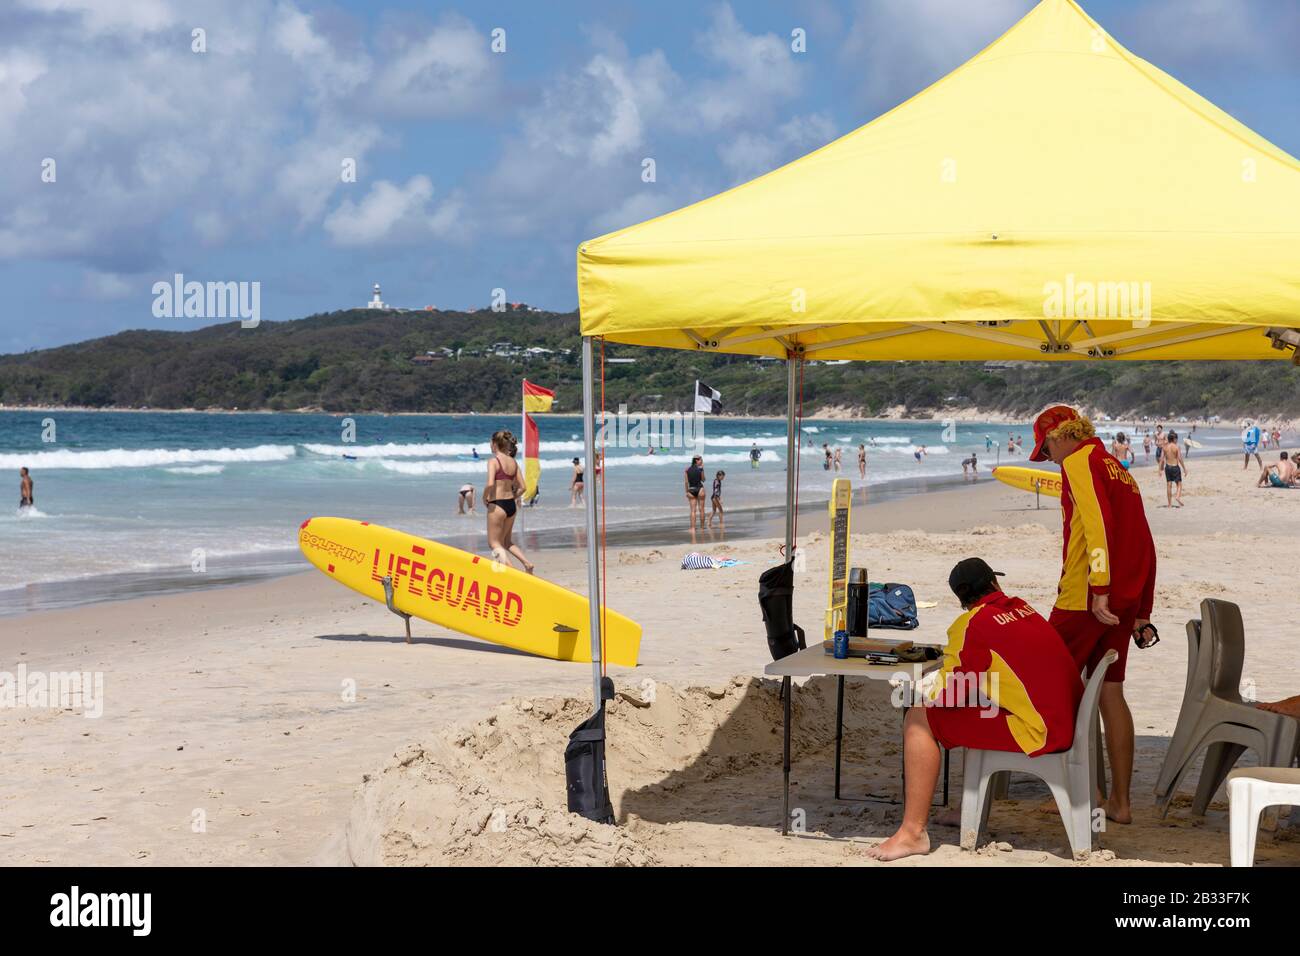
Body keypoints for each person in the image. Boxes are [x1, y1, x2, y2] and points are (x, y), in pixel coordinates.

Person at [866, 558, 1082, 862]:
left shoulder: (973, 624)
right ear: (994, 583)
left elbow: (948, 695)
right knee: (977, 703)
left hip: (1042, 731)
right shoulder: (1023, 608)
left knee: (919, 717)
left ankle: (912, 833)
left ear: (962, 598)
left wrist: (918, 688)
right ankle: (970, 808)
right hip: (1067, 718)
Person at [1029, 405, 1156, 825]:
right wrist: (1141, 608)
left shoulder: (1080, 460)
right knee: (1109, 693)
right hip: (1122, 602)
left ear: (1058, 435)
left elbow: (1098, 525)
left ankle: (1081, 790)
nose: (1048, 458)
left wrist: (1099, 588)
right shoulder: (1117, 467)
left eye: (1045, 449)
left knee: (1044, 679)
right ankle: (1119, 802)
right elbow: (1144, 540)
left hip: (1086, 599)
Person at [483, 429, 533, 573]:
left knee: (493, 543)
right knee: (506, 542)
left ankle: (511, 572)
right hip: (511, 506)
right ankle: (527, 563)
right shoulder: (513, 462)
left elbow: (490, 484)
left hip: (497, 505)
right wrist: (513, 497)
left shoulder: (493, 461)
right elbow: (523, 487)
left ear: (494, 444)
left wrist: (484, 497)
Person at [1162, 430, 1186, 507]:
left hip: (1168, 467)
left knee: (1169, 485)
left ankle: (1169, 504)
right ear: (1174, 439)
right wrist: (1184, 468)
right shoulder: (1176, 447)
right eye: (1177, 439)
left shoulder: (1165, 447)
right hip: (1175, 467)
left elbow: (1161, 459)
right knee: (1179, 484)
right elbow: (1179, 458)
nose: (1177, 440)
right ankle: (1177, 497)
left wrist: (1160, 469)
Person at [685, 455, 706, 530]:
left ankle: (693, 528)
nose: (702, 462)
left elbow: (686, 482)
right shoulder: (700, 469)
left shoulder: (687, 469)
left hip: (691, 490)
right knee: (702, 509)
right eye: (701, 460)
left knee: (693, 510)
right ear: (696, 460)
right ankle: (702, 527)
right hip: (700, 489)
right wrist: (702, 469)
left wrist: (686, 491)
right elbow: (703, 479)